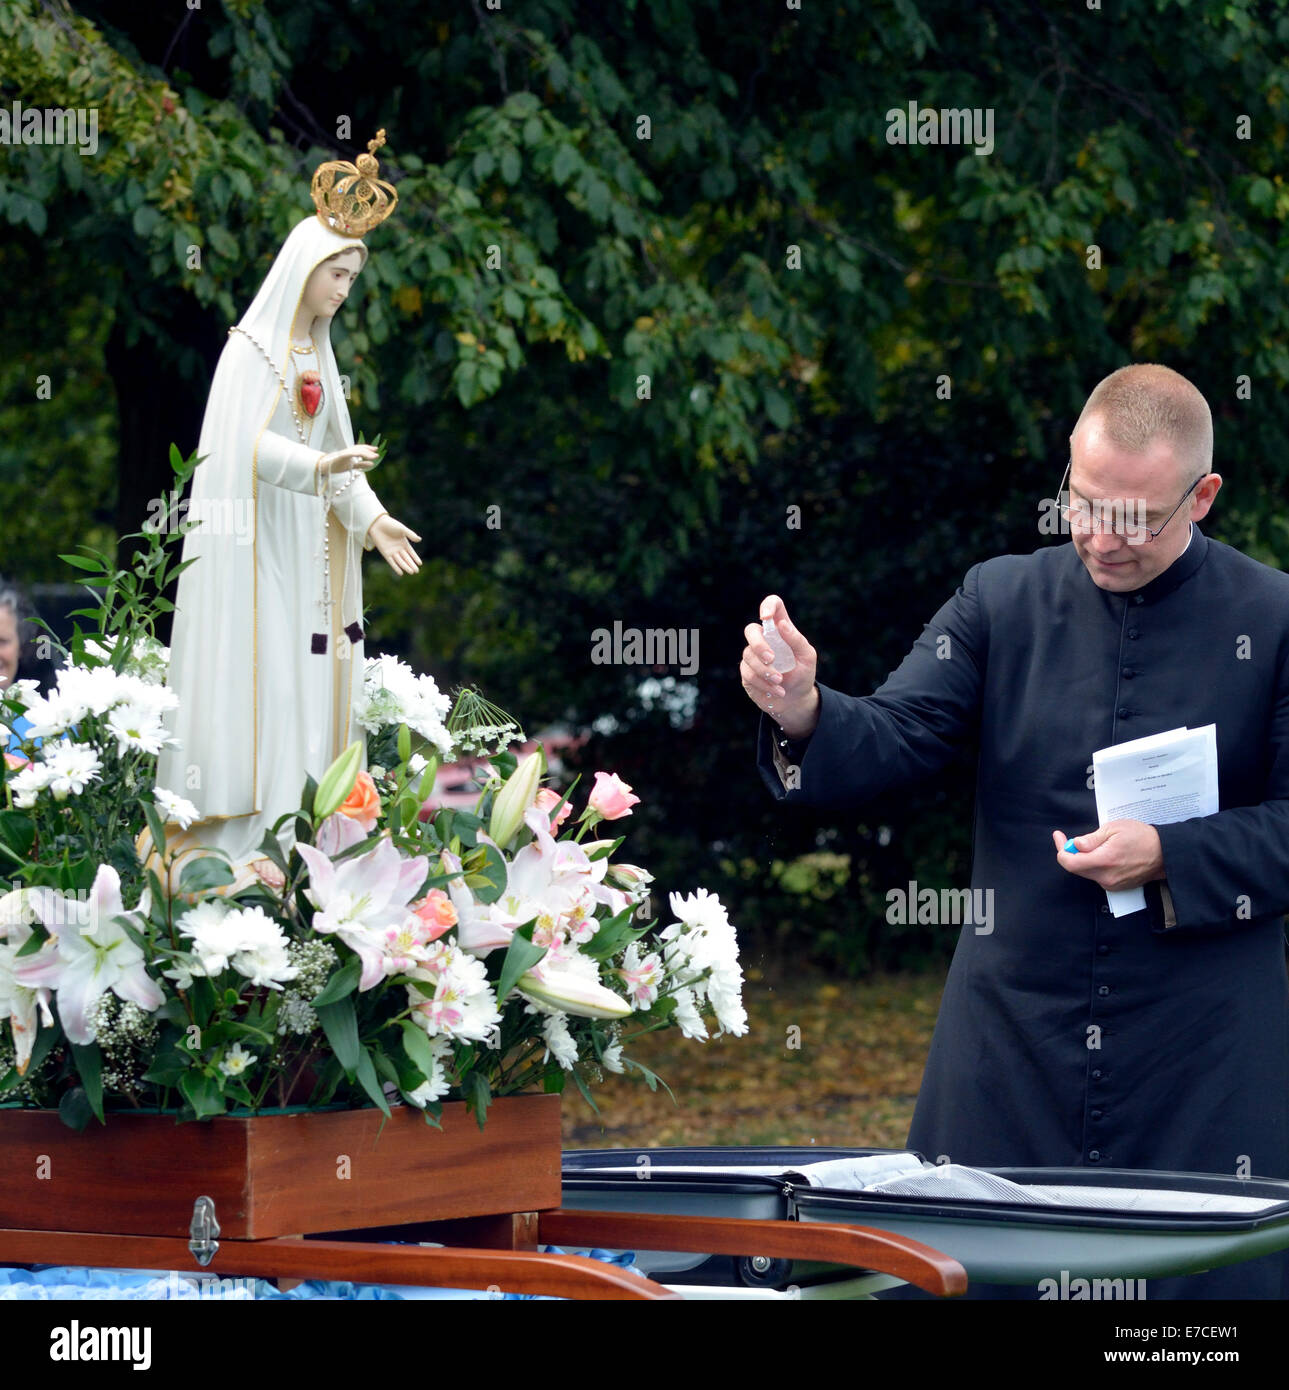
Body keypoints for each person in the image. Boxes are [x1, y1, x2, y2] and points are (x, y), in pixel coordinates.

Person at [745, 363, 1289, 1299]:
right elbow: (900, 732)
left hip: (1202, 1050)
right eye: (1079, 504)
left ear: (1201, 497)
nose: (1098, 538)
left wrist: (1173, 853)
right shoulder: (998, 599)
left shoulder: (1274, 617)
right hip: (1010, 1039)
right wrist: (804, 710)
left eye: (1132, 518)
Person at [155, 134, 422, 867]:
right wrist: (320, 464)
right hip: (257, 550)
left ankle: (305, 844)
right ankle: (246, 845)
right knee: (267, 686)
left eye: (350, 278)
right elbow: (248, 448)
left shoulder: (320, 358)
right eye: (334, 273)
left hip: (315, 564)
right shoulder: (251, 352)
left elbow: (338, 458)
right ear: (300, 270)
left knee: (312, 689)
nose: (341, 289)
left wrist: (370, 516)